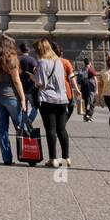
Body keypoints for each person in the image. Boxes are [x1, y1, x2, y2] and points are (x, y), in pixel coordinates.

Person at [0, 32, 28, 165]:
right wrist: (22, 99)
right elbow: (16, 80)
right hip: (10, 96)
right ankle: (27, 154)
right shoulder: (12, 57)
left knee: (2, 128)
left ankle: (7, 159)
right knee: (20, 126)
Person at [33, 36, 71, 168]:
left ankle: (53, 159)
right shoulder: (58, 62)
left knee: (50, 130)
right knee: (62, 129)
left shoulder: (42, 62)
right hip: (62, 100)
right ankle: (66, 157)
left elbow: (41, 84)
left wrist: (33, 76)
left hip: (47, 99)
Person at [17, 42, 39, 126]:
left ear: (20, 50)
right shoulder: (32, 60)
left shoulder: (17, 59)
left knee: (23, 108)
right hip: (30, 88)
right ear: (28, 50)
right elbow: (36, 71)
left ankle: (24, 126)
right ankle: (29, 120)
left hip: (20, 88)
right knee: (35, 106)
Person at [77, 56, 97, 121]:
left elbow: (78, 81)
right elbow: (95, 79)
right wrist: (97, 89)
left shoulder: (81, 70)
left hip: (83, 88)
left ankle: (85, 117)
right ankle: (89, 115)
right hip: (90, 88)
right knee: (92, 101)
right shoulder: (91, 69)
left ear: (84, 63)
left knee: (85, 102)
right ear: (89, 63)